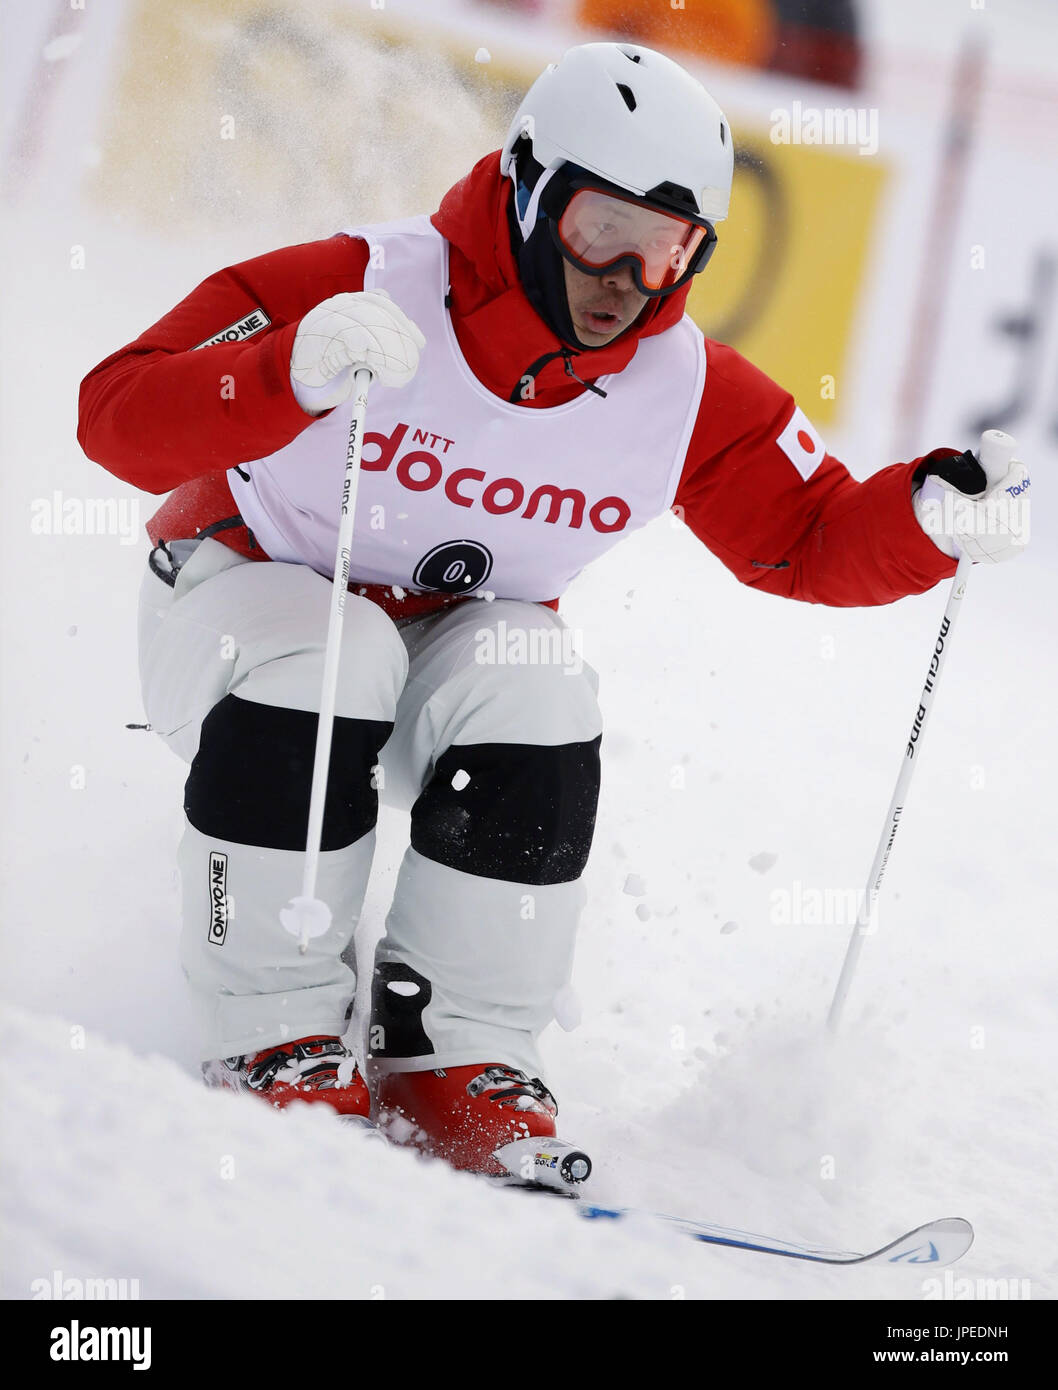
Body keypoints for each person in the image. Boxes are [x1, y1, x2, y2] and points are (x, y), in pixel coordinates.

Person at [78, 42, 1027, 1185]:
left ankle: (453, 1053)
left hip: (435, 649)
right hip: (234, 602)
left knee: (535, 667)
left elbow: (809, 534)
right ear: (528, 188)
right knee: (334, 651)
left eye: (667, 250)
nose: (625, 280)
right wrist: (287, 370)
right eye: (599, 231)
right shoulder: (363, 283)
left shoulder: (674, 388)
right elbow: (113, 412)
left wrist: (925, 517)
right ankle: (267, 1032)